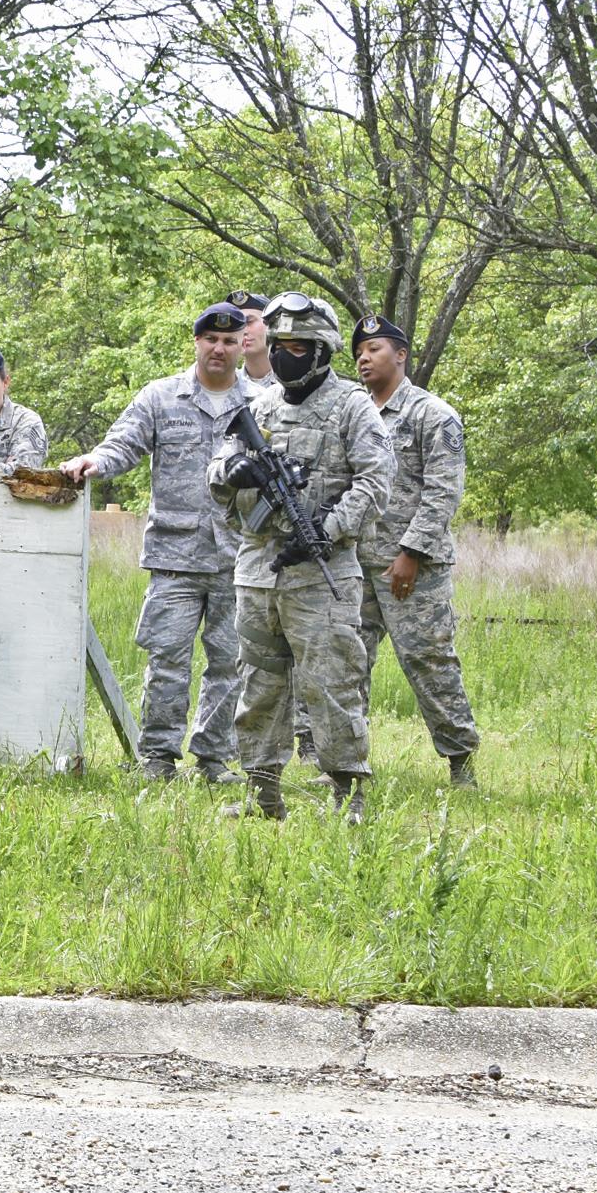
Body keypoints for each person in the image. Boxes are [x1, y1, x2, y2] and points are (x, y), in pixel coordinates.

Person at [208, 292, 391, 821]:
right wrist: (232, 474)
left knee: (332, 684)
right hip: (258, 571)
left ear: (320, 350)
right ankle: (261, 792)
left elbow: (377, 483)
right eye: (279, 343)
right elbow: (216, 474)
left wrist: (327, 529)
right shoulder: (259, 408)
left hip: (321, 571)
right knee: (259, 685)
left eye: (297, 345)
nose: (285, 354)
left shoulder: (352, 406)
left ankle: (348, 793)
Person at [61, 303, 250, 784]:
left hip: (240, 556)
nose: (219, 348)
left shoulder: (261, 402)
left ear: (242, 346)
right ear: (197, 342)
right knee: (167, 660)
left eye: (230, 341)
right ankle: (158, 759)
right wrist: (94, 463)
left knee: (230, 664)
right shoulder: (162, 397)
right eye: (211, 339)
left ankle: (213, 760)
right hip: (175, 556)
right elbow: (122, 444)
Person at [350, 314, 481, 789]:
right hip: (355, 562)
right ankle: (346, 762)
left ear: (401, 355)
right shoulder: (353, 411)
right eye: (359, 352)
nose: (364, 358)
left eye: (375, 350)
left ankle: (459, 759)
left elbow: (443, 490)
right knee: (347, 664)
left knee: (428, 661)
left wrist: (411, 552)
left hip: (413, 567)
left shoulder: (433, 413)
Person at [229, 291, 278, 395]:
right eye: (237, 325)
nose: (243, 331)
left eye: (249, 322)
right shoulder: (227, 387)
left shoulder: (294, 380)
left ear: (272, 325)